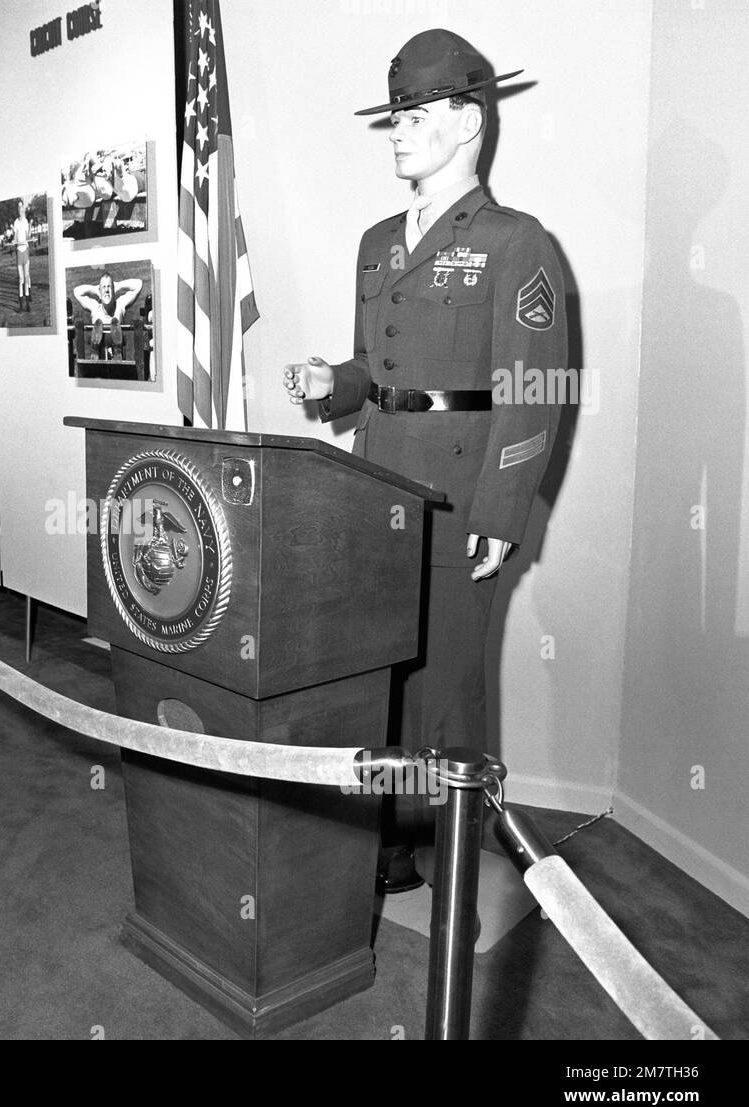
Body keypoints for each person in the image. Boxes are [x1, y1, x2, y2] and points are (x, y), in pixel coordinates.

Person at [283, 29, 568, 891]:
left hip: (457, 493)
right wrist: (334, 382)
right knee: (383, 678)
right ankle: (392, 838)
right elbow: (383, 369)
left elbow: (535, 386)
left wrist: (500, 511)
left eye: (414, 112)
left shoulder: (518, 244)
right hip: (377, 486)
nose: (398, 130)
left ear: (470, 120)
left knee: (447, 681)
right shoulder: (378, 240)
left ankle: (453, 843)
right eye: (395, 114)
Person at [72, 272, 143, 356]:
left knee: (115, 325)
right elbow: (77, 291)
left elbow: (139, 284)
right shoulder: (95, 307)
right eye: (104, 287)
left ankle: (116, 350)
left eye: (109, 287)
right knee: (98, 328)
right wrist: (96, 289)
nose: (106, 290)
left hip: (117, 356)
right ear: (100, 292)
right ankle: (95, 350)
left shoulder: (120, 305)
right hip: (100, 356)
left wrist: (118, 285)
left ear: (114, 290)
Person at [8, 199, 33, 312]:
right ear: (17, 210)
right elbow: (16, 237)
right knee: (21, 278)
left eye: (21, 207)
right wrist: (14, 240)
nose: (20, 210)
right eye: (18, 208)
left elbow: (28, 236)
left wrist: (31, 226)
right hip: (19, 250)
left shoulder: (26, 221)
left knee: (27, 276)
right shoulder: (16, 222)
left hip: (25, 249)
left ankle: (28, 303)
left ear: (23, 209)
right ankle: (21, 305)